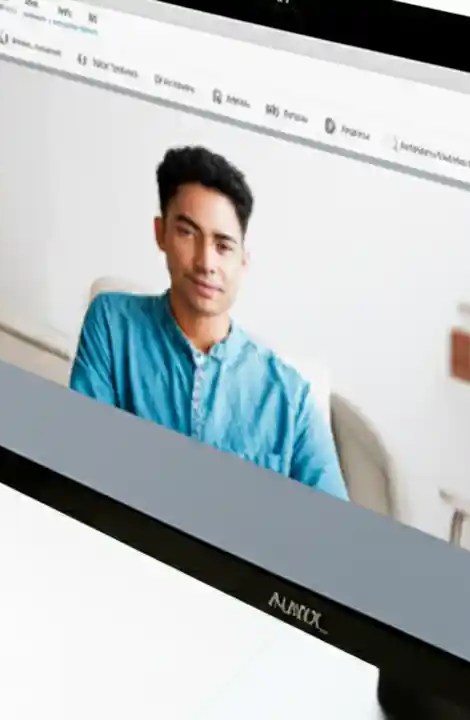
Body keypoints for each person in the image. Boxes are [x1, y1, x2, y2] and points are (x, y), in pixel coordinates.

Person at [69, 146, 348, 501]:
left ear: (243, 260)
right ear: (161, 233)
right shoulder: (112, 323)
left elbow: (334, 533)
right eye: (188, 233)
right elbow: (82, 463)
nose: (205, 262)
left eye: (223, 245)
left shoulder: (290, 397)